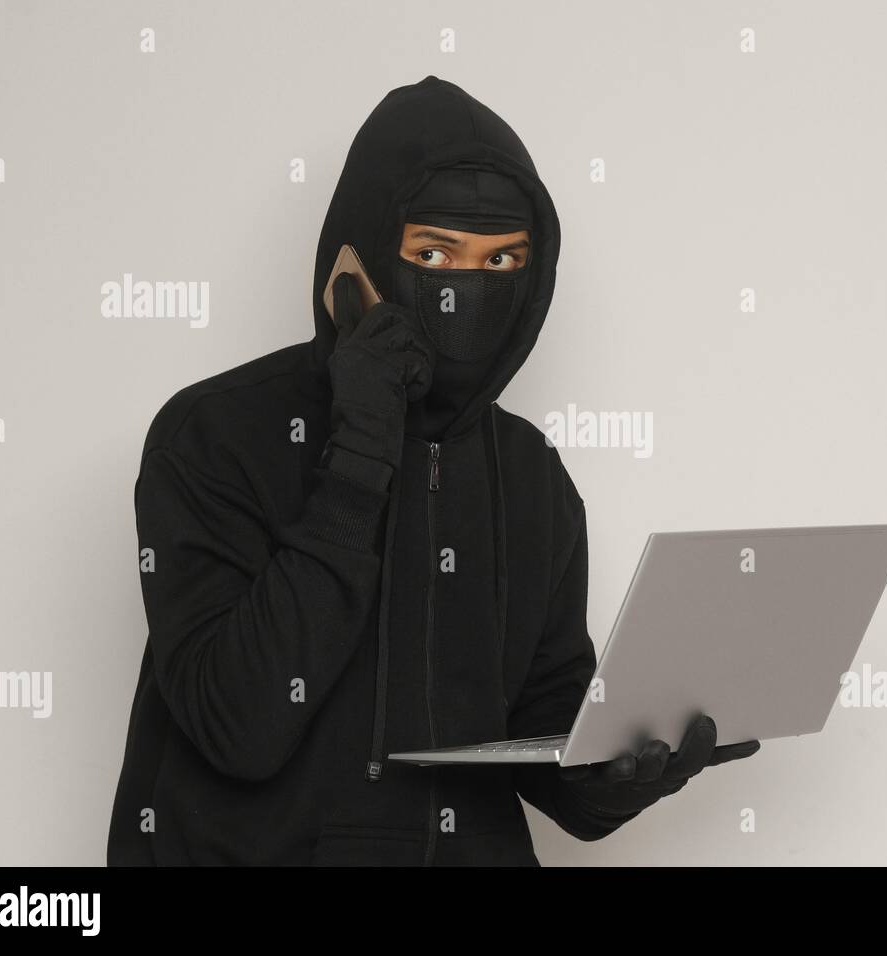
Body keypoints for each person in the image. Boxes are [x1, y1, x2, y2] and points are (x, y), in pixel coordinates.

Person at [107, 75, 759, 866]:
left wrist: (611, 783)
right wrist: (362, 449)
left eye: (503, 261)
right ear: (363, 253)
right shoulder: (212, 434)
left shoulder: (530, 474)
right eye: (433, 254)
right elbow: (240, 724)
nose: (467, 293)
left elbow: (542, 720)